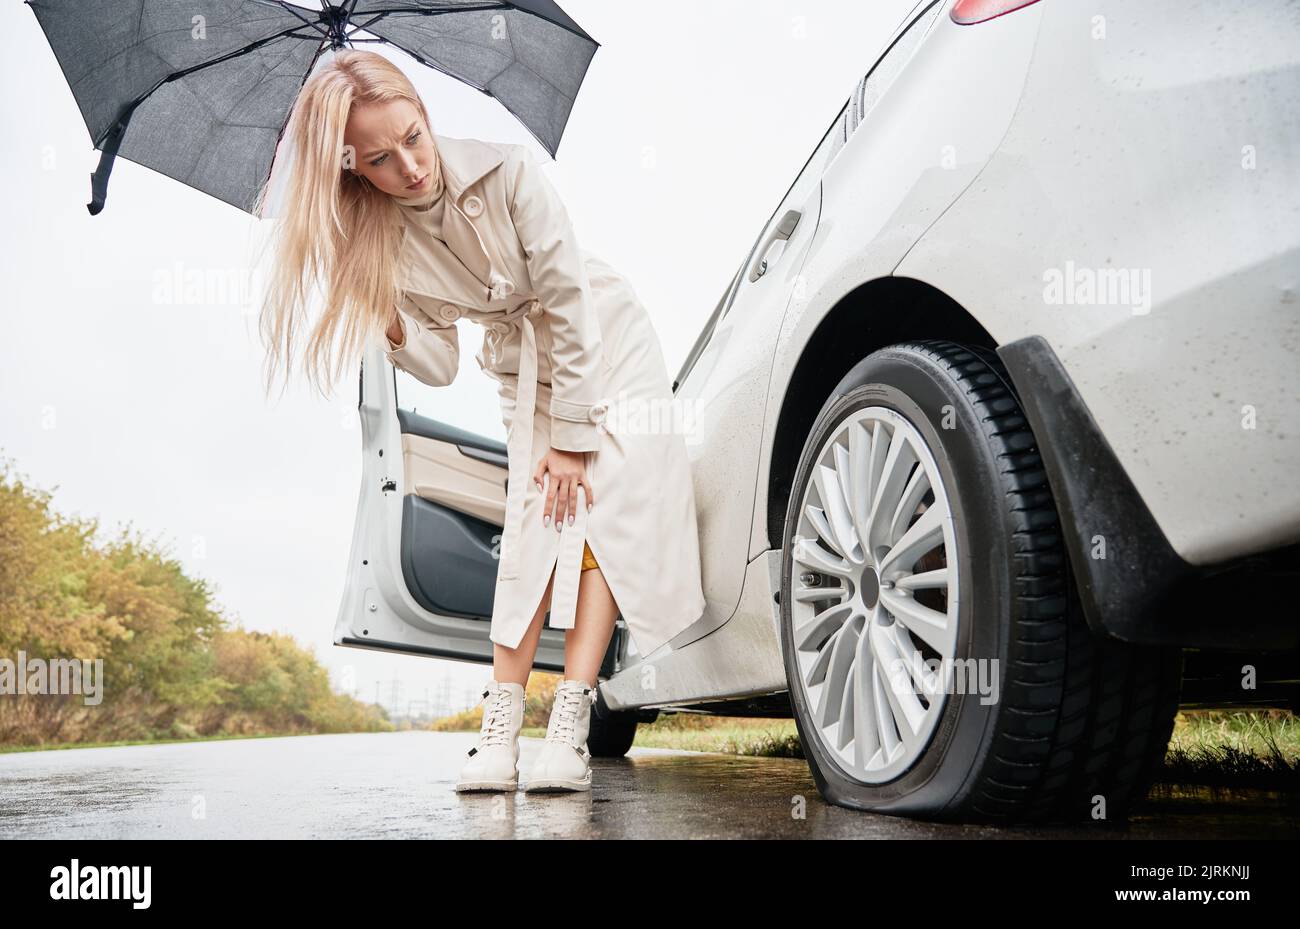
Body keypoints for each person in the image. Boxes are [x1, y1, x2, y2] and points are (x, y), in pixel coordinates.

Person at [254, 50, 706, 794]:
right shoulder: (379, 245)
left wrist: (570, 439)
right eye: (381, 158)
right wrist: (387, 318)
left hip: (601, 336)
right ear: (352, 168)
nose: (410, 165)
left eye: (413, 137)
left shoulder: (509, 171)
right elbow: (439, 365)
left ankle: (569, 719)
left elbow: (565, 296)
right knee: (533, 520)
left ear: (424, 117)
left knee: (603, 508)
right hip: (515, 359)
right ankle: (500, 730)